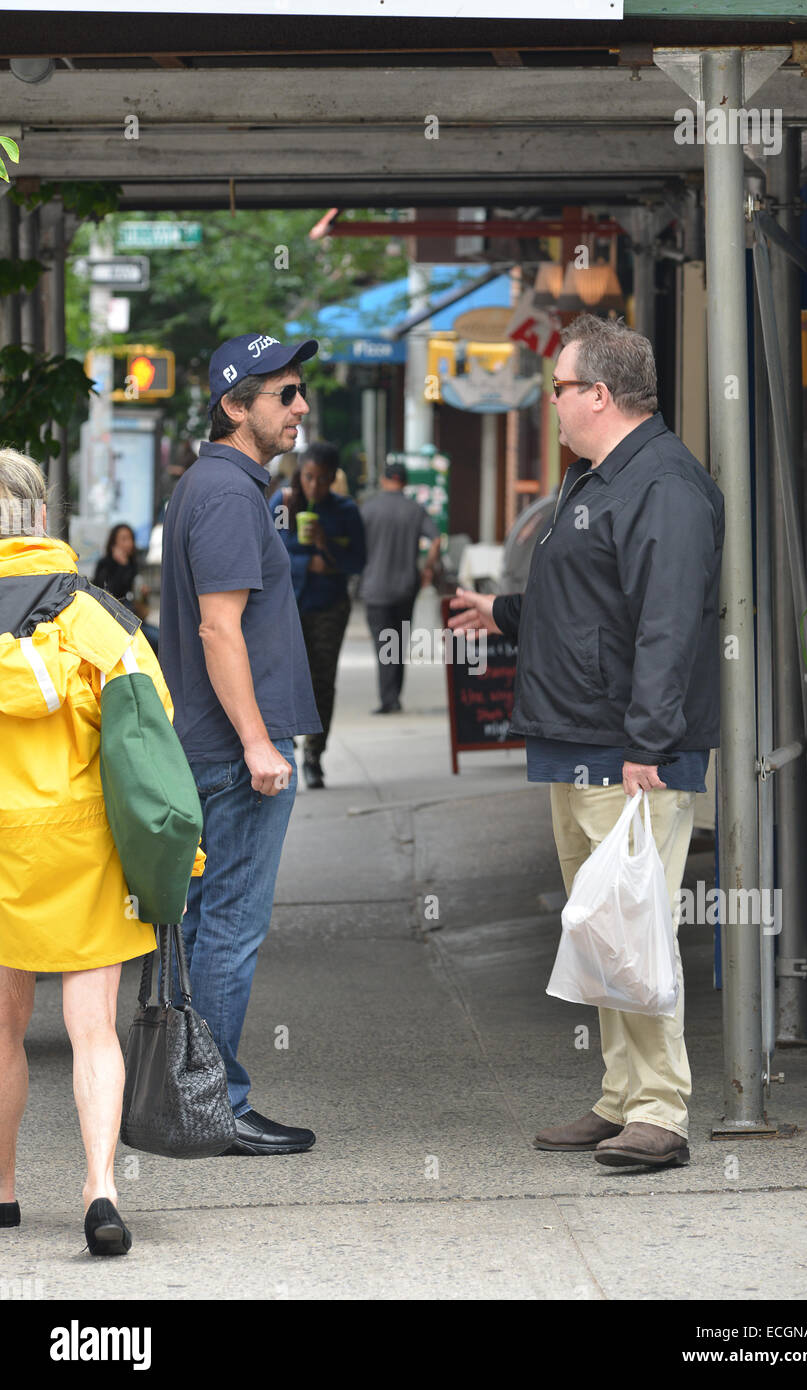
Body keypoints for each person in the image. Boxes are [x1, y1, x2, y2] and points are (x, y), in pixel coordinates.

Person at [450, 314, 724, 1171]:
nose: (553, 404)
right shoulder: (597, 478)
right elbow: (588, 613)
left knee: (631, 926)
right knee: (601, 926)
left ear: (599, 395)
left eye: (560, 389)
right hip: (580, 741)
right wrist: (499, 613)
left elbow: (667, 626)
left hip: (626, 752)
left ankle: (659, 1111)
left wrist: (645, 742)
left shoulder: (664, 487)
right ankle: (620, 1096)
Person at [0, 448, 204, 1254]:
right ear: (44, 520)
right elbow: (151, 760)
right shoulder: (100, 620)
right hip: (82, 854)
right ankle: (100, 1190)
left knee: (4, 1032)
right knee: (93, 1031)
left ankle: (5, 1191)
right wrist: (174, 868)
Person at [159, 332, 322, 1157]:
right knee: (226, 925)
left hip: (214, 747)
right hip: (231, 753)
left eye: (299, 391)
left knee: (199, 928)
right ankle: (215, 1104)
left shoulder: (220, 486)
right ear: (234, 406)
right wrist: (260, 745)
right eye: (282, 394)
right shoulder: (226, 493)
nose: (299, 407)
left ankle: (181, 1097)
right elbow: (217, 627)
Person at [270, 441, 365, 789]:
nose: (315, 487)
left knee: (322, 682)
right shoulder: (282, 504)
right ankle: (284, 744)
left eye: (323, 480)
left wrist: (327, 546)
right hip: (286, 606)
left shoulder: (345, 511)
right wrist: (305, 563)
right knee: (285, 677)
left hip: (328, 607)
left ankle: (314, 754)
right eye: (309, 477)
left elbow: (358, 560)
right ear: (300, 473)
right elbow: (268, 551)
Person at [359, 462, 441, 714]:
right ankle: (394, 696)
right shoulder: (415, 509)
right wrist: (427, 567)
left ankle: (388, 699)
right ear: (404, 483)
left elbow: (354, 544)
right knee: (399, 642)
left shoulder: (368, 509)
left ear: (384, 480)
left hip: (374, 587)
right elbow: (436, 539)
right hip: (406, 586)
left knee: (382, 645)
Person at [94, 522, 160, 655]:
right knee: (155, 640)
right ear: (114, 543)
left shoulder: (132, 564)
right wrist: (122, 566)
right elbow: (109, 593)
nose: (128, 543)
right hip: (115, 622)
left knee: (159, 637)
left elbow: (136, 597)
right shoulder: (105, 565)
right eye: (124, 539)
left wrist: (143, 593)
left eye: (130, 539)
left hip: (133, 618)